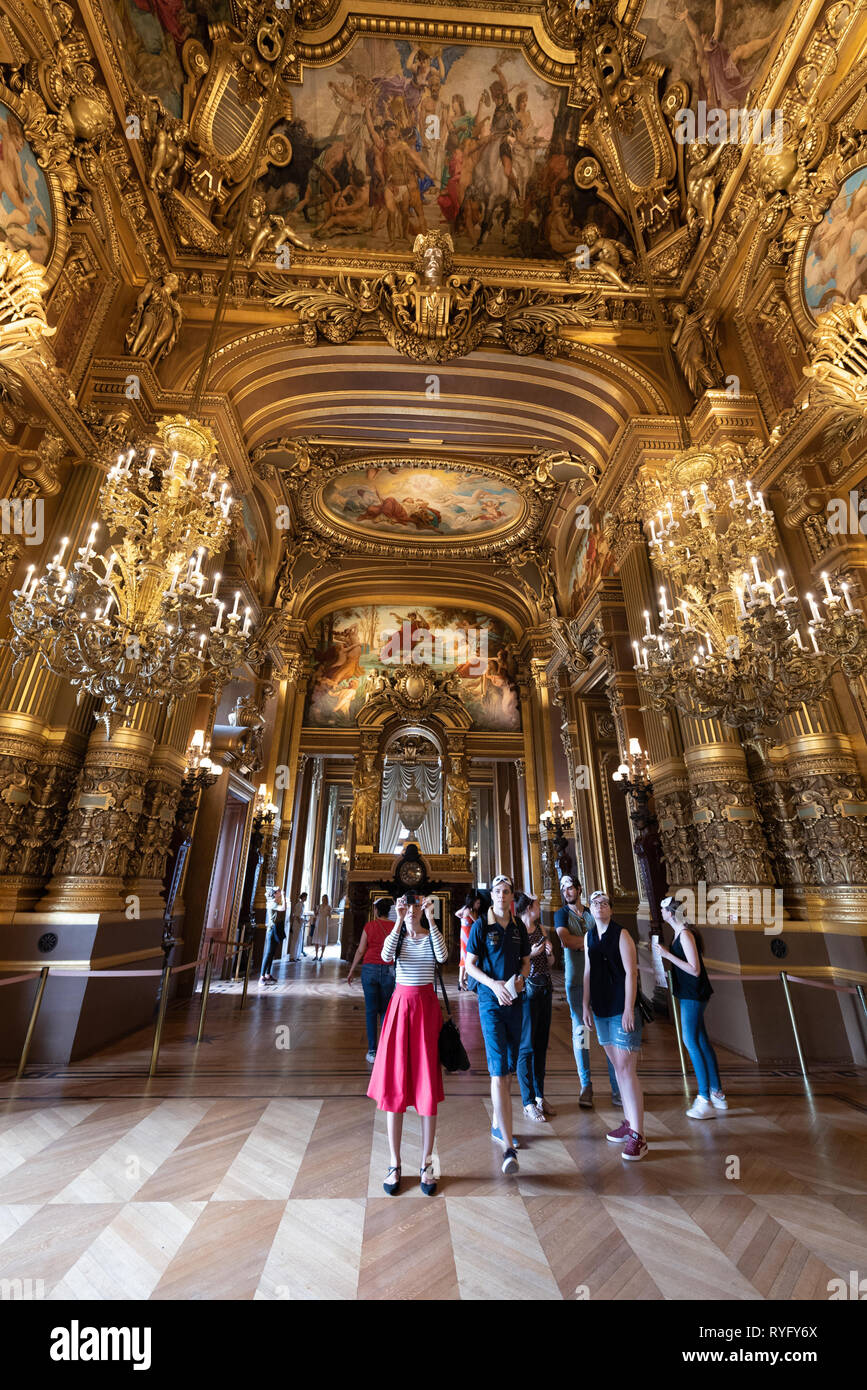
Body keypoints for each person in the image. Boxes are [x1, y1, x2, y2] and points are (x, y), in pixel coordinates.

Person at [368, 893, 447, 1196]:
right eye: (408, 906)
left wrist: (429, 918)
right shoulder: (397, 935)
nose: (412, 910)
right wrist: (399, 920)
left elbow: (441, 957)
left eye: (417, 906)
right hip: (401, 1009)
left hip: (426, 1011)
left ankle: (427, 1162)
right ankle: (394, 1162)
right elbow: (386, 956)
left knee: (426, 1087)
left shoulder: (430, 934)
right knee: (396, 1086)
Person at [465, 873, 531, 1174]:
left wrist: (520, 978)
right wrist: (493, 985)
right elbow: (469, 965)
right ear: (491, 895)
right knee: (498, 1070)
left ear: (511, 896)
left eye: (506, 892)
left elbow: (525, 961)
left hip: (515, 1002)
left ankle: (497, 1122)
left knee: (510, 1064)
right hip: (491, 1002)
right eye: (497, 891)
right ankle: (508, 1146)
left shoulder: (519, 927)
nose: (502, 896)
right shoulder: (481, 926)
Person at [582, 890, 648, 1161]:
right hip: (601, 1008)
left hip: (621, 1009)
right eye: (595, 903)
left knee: (626, 1069)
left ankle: (639, 1136)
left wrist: (628, 1009)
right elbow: (587, 971)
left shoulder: (622, 935)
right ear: (590, 908)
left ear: (611, 909)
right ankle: (629, 1123)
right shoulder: (589, 937)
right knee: (617, 1068)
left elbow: (631, 973)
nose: (600, 907)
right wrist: (584, 1004)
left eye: (604, 903)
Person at [655, 895, 727, 1119]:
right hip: (691, 993)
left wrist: (667, 955)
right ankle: (717, 1093)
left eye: (663, 909)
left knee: (691, 1041)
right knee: (702, 1041)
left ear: (671, 912)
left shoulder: (685, 935)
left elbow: (695, 969)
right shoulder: (681, 933)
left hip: (693, 994)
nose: (661, 913)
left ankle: (704, 1097)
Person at [555, 876, 621, 1110]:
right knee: (580, 1032)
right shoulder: (562, 914)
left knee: (607, 1033)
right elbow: (566, 940)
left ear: (579, 889)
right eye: (563, 889)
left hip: (601, 980)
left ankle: (617, 1087)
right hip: (576, 981)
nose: (567, 892)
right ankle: (586, 1085)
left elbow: (608, 937)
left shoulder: (593, 911)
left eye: (570, 887)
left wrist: (585, 942)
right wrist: (592, 941)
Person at [514, 890, 556, 1123]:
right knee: (527, 1046)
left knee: (541, 1045)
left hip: (545, 987)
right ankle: (528, 1101)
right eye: (537, 905)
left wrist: (549, 954)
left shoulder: (541, 929)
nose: (539, 908)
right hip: (527, 992)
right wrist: (531, 953)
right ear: (529, 908)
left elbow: (548, 963)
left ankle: (540, 1096)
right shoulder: (516, 932)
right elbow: (515, 963)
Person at [347, 897, 396, 1063]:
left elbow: (361, 950)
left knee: (370, 1010)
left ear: (376, 911)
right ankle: (385, 1048)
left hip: (369, 970)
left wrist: (352, 970)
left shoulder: (369, 926)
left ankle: (372, 1051)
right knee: (385, 1010)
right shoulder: (396, 927)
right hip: (389, 969)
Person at [455, 888, 488, 990]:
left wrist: (462, 919)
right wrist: (464, 919)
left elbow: (457, 914)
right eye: (477, 903)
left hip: (466, 932)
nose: (478, 905)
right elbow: (477, 921)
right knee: (465, 956)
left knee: (465, 956)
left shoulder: (467, 909)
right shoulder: (469, 910)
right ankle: (461, 981)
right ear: (473, 902)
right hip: (466, 934)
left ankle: (464, 979)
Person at [260, 886, 287, 984]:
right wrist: (284, 896)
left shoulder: (273, 902)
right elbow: (283, 908)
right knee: (268, 954)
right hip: (271, 931)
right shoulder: (272, 903)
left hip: (274, 929)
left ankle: (267, 974)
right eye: (279, 891)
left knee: (272, 954)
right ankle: (262, 977)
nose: (280, 892)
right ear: (275, 894)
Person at [289, 892, 308, 960]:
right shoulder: (299, 904)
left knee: (299, 940)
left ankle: (296, 956)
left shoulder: (302, 904)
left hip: (300, 924)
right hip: (297, 924)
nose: (306, 898)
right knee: (295, 940)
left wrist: (303, 921)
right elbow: (296, 915)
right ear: (303, 897)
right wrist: (301, 921)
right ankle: (292, 957)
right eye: (305, 897)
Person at [312, 894, 331, 962]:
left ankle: (321, 955)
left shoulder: (329, 907)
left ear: (326, 899)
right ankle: (316, 955)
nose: (323, 900)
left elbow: (330, 916)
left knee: (323, 939)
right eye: (322, 899)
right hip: (318, 922)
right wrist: (315, 911)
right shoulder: (319, 906)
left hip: (324, 923)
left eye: (324, 899)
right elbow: (316, 914)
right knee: (316, 939)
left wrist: (329, 913)